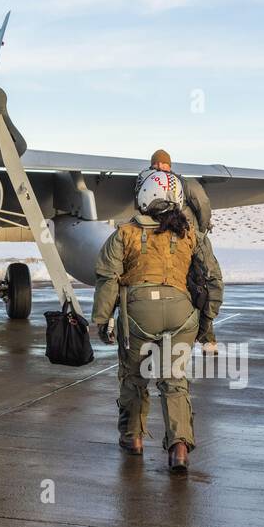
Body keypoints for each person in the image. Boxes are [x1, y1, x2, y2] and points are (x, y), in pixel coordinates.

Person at [92, 168, 207, 475]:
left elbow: (108, 279)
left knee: (134, 378)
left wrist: (102, 320)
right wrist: (206, 326)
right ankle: (179, 449)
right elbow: (212, 279)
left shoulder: (124, 234)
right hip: (182, 315)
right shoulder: (190, 235)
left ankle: (133, 439)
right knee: (174, 381)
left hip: (139, 316)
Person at [148, 148, 223, 351]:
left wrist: (199, 231)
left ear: (170, 166)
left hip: (188, 241)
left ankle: (208, 338)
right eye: (156, 164)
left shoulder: (185, 183)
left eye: (163, 164)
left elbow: (203, 204)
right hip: (166, 244)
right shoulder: (149, 184)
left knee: (200, 285)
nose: (159, 168)